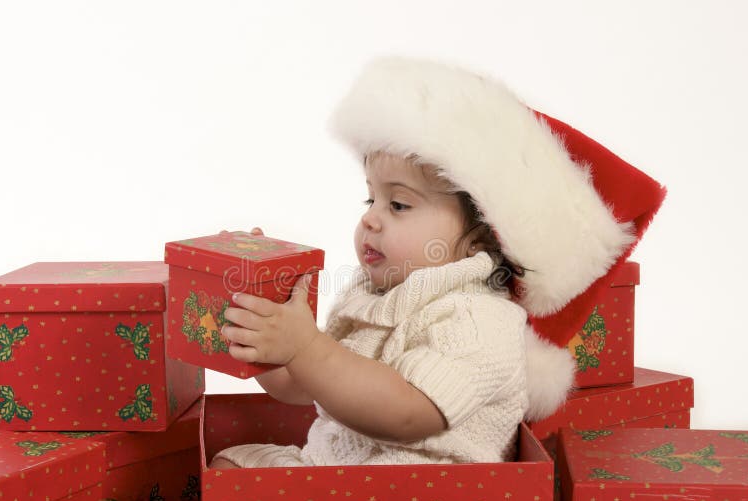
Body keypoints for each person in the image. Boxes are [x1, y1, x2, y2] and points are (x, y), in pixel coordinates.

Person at [209, 56, 665, 468]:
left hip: (420, 486)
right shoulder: (370, 295)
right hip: (334, 470)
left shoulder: (479, 319)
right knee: (231, 466)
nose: (370, 219)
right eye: (371, 197)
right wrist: (269, 337)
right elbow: (306, 384)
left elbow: (407, 414)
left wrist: (307, 347)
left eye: (399, 205)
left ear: (479, 238)